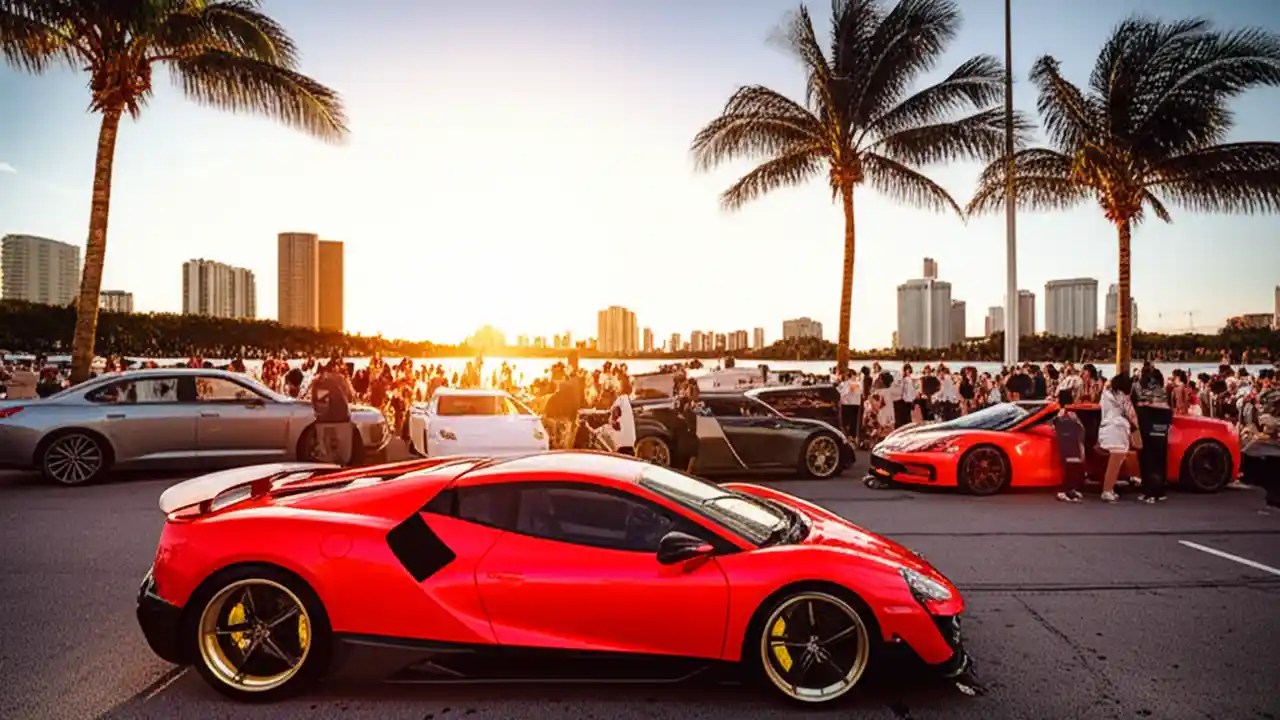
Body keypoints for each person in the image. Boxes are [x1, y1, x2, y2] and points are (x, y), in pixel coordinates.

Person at [1098, 374, 1139, 503]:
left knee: (1114, 463)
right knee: (1114, 464)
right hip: (1117, 431)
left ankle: (1109, 489)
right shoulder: (1122, 397)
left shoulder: (1105, 395)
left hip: (1106, 429)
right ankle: (1107, 490)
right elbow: (1132, 415)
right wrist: (1137, 429)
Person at [310, 359, 355, 466]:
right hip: (341, 418)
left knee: (325, 449)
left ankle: (326, 470)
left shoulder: (316, 381)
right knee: (342, 452)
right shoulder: (340, 379)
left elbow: (312, 399)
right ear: (334, 367)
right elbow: (350, 396)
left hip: (322, 419)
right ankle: (341, 470)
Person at [1053, 397, 1088, 503]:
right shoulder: (1070, 415)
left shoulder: (1060, 414)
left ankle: (1070, 490)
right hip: (1071, 444)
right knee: (1072, 468)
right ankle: (1066, 491)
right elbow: (1079, 429)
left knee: (1070, 468)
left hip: (1066, 444)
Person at [837, 370, 862, 440]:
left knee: (846, 422)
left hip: (848, 404)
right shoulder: (854, 383)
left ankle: (848, 436)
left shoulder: (846, 383)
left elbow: (839, 392)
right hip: (853, 404)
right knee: (852, 422)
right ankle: (851, 436)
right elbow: (858, 392)